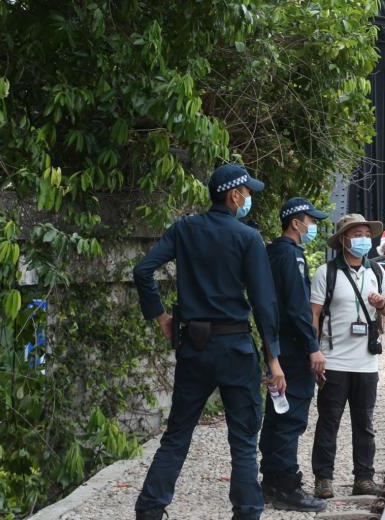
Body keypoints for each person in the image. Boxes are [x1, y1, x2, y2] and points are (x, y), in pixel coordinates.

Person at [132, 164, 284, 520]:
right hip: (236, 349)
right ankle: (246, 513)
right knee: (244, 441)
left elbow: (142, 270)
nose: (248, 199)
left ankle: (150, 511)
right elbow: (264, 303)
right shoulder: (248, 239)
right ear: (234, 195)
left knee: (177, 435)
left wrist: (162, 318)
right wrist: (273, 357)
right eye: (247, 193)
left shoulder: (185, 229)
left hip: (194, 348)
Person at [310, 214, 385, 499]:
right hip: (333, 360)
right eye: (356, 234)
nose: (362, 239)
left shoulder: (377, 271)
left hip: (366, 361)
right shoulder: (327, 272)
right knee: (328, 422)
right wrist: (315, 350)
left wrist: (382, 302)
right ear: (343, 239)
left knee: (365, 423)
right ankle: (323, 478)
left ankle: (364, 477)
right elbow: (313, 316)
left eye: (365, 233)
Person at [259, 198, 329, 512]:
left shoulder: (272, 253)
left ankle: (271, 480)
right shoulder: (291, 256)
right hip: (293, 349)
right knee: (291, 417)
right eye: (310, 220)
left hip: (278, 347)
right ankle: (286, 486)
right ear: (296, 222)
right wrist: (313, 347)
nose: (312, 226)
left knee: (277, 413)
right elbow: (298, 308)